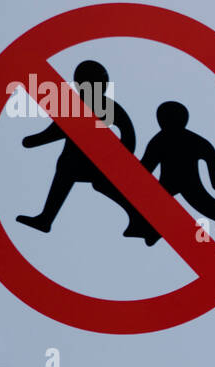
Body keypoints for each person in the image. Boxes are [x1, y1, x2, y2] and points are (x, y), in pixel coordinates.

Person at [15, 60, 152, 239]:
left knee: (72, 172)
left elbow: (127, 132)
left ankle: (139, 220)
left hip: (97, 161)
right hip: (86, 161)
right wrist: (35, 140)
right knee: (74, 173)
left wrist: (122, 159)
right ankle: (46, 219)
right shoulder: (85, 106)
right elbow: (58, 129)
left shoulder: (96, 106)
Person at [140, 100, 215, 239]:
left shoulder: (171, 139)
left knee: (202, 203)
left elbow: (210, 155)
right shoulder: (161, 140)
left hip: (188, 180)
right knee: (155, 205)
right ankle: (152, 232)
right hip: (169, 180)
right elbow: (147, 163)